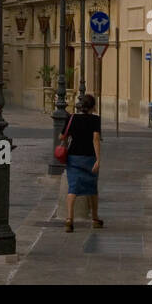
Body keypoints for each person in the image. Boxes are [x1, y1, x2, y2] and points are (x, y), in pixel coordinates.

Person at [60, 93, 103, 232]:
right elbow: (95, 139)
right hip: (89, 157)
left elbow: (62, 136)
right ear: (93, 107)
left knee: (73, 187)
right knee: (92, 188)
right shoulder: (95, 120)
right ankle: (95, 219)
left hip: (73, 156)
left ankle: (69, 219)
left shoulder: (71, 118)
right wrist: (98, 159)